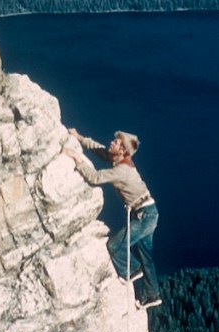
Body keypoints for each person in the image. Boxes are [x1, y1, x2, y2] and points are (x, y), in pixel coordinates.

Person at [64, 127, 162, 310]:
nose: (112, 142)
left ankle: (132, 270)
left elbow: (94, 177)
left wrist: (77, 159)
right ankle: (152, 295)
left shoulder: (122, 170)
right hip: (148, 212)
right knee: (145, 255)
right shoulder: (119, 159)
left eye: (116, 142)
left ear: (123, 150)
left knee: (115, 245)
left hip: (144, 216)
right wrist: (79, 137)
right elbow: (99, 150)